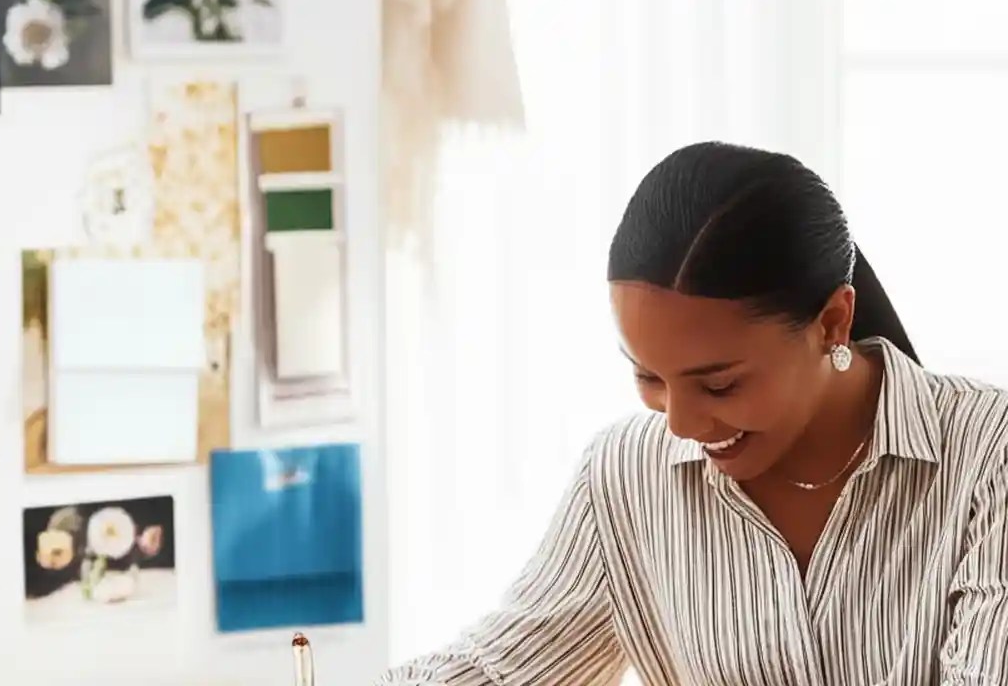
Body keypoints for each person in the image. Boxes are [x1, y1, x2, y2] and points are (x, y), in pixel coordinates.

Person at [374, 142, 1008, 685]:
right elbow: (500, 669)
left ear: (832, 323)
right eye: (647, 376)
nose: (678, 423)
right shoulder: (625, 474)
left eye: (720, 384)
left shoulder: (986, 452)